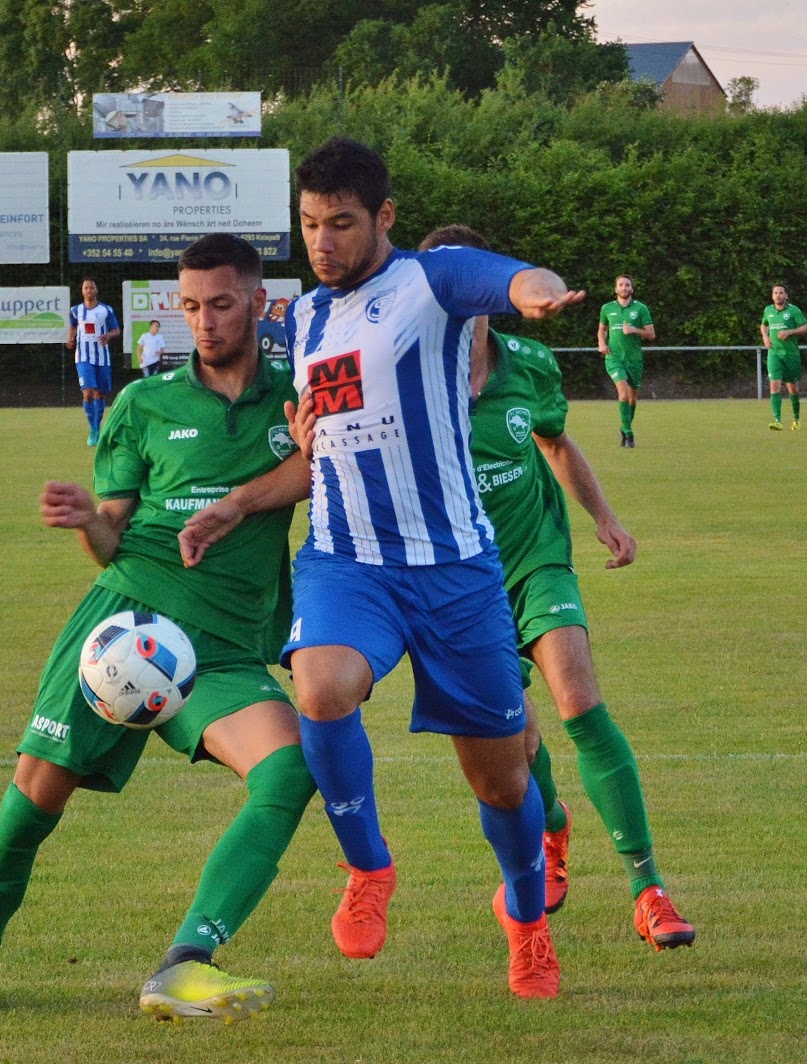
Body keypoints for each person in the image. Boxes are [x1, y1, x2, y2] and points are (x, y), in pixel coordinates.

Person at [179, 137, 584, 999]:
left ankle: (526, 919)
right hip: (347, 559)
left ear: (384, 217)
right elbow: (316, 443)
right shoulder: (304, 321)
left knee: (501, 780)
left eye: (341, 223)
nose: (321, 242)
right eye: (308, 224)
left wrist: (537, 291)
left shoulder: (432, 282)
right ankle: (369, 868)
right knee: (321, 689)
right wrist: (241, 500)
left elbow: (511, 278)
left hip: (455, 569)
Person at [0, 234, 315, 1024]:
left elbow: (322, 462)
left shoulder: (295, 396)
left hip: (222, 648)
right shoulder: (143, 404)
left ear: (260, 303)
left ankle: (185, 964)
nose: (204, 321)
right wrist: (88, 521)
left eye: (221, 304)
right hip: (123, 629)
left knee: (290, 769)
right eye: (190, 306)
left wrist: (245, 498)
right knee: (29, 809)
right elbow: (111, 536)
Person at [419, 224, 695, 951]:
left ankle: (650, 890)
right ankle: (552, 828)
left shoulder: (531, 365)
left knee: (580, 704)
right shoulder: (406, 381)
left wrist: (605, 518)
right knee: (516, 740)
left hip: (536, 560)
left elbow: (555, 441)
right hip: (456, 587)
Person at [596, 276, 655, 448]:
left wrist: (634, 330)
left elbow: (651, 334)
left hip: (634, 359)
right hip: (614, 358)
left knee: (633, 398)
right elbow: (602, 330)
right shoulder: (607, 308)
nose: (624, 287)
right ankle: (629, 434)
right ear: (616, 289)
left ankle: (624, 426)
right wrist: (601, 342)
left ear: (632, 289)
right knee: (623, 394)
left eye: (627, 285)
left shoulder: (641, 308)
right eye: (621, 285)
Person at [65, 278, 120, 445]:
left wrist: (108, 335)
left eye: (91, 288)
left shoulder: (105, 310)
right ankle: (93, 430)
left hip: (102, 357)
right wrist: (71, 338)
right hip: (83, 357)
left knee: (99, 393)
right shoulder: (76, 310)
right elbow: (73, 326)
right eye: (86, 288)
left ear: (96, 290)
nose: (89, 290)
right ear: (82, 291)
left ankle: (98, 426)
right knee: (88, 392)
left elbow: (116, 330)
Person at [761, 284, 807, 430]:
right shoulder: (768, 310)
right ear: (772, 296)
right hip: (774, 354)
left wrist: (789, 332)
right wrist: (765, 337)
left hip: (791, 354)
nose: (778, 295)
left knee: (792, 388)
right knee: (774, 385)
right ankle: (777, 421)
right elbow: (764, 324)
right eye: (775, 293)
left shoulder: (793, 311)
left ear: (786, 295)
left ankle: (796, 418)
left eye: (781, 293)